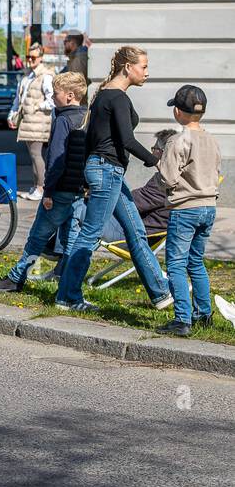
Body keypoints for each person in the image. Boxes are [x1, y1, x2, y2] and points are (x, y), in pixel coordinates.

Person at [55, 45, 172, 313]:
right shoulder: (117, 98)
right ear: (128, 67)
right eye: (144, 66)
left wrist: (86, 175)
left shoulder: (102, 96)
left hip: (107, 171)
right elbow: (127, 140)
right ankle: (68, 296)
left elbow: (91, 139)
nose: (147, 72)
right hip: (107, 171)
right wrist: (157, 161)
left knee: (136, 232)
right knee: (91, 234)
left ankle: (161, 294)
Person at [0, 72, 89, 292]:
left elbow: (56, 160)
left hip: (59, 190)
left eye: (56, 94)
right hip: (78, 191)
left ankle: (16, 278)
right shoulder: (86, 118)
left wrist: (48, 191)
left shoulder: (62, 120)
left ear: (69, 96)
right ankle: (67, 285)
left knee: (37, 237)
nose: (53, 99)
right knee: (70, 240)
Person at [158, 85, 221, 337]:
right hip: (209, 207)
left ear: (177, 112)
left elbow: (168, 178)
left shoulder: (177, 140)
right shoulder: (212, 140)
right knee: (196, 261)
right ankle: (203, 314)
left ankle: (182, 319)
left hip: (185, 208)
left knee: (175, 262)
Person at [8, 45, 57, 201]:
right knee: (34, 155)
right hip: (29, 121)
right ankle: (37, 185)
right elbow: (19, 99)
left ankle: (41, 188)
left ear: (41, 58)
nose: (30, 60)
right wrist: (12, 114)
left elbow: (52, 100)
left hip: (38, 122)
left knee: (36, 155)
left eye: (33, 58)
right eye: (28, 57)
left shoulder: (45, 77)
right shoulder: (27, 76)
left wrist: (37, 106)